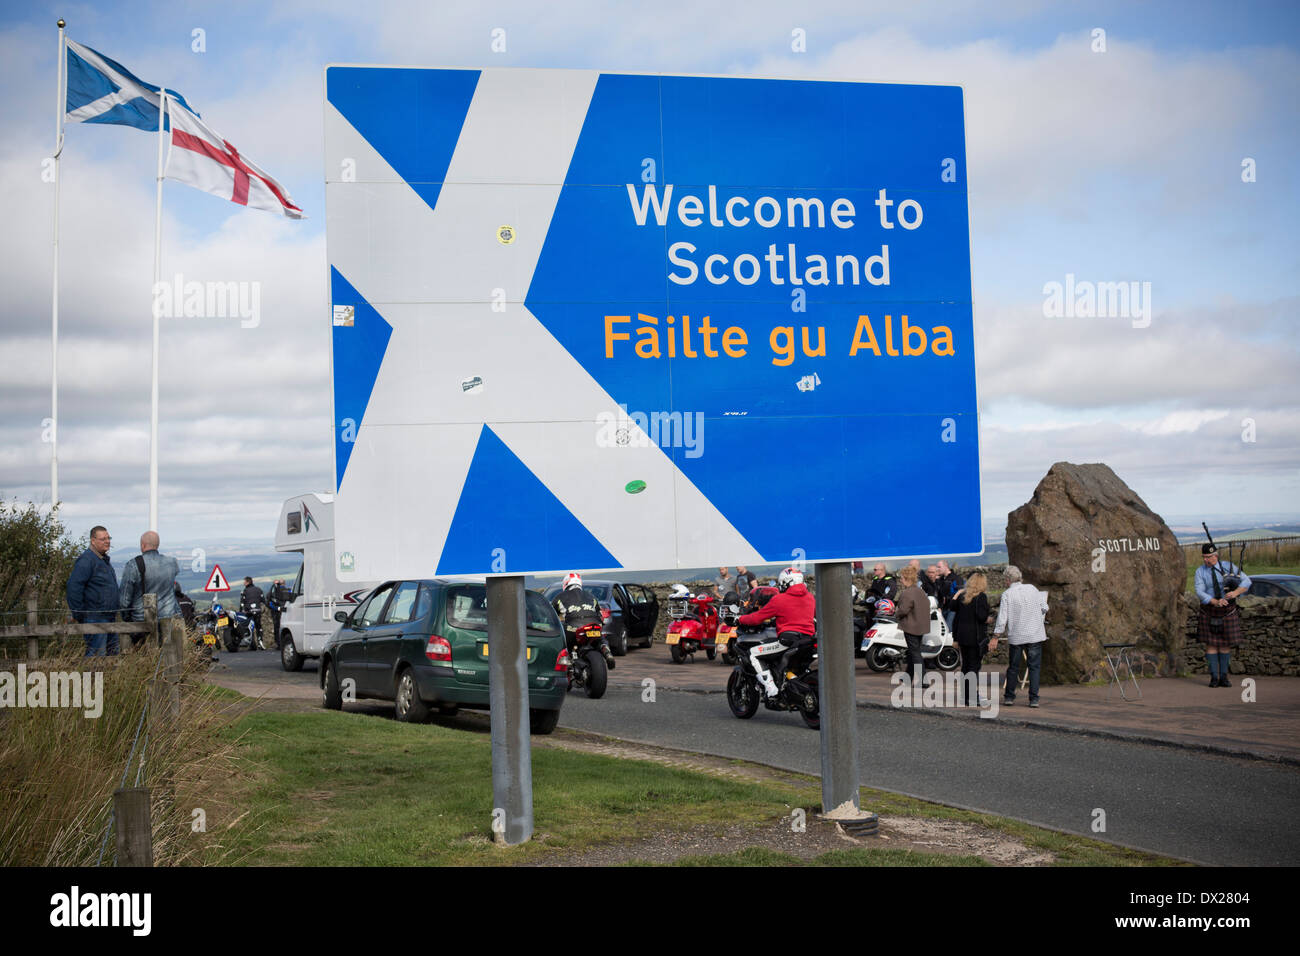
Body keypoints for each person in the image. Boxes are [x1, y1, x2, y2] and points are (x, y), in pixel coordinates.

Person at [738, 566, 815, 698]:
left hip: (788, 641)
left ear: (786, 583)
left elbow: (756, 618)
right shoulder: (810, 598)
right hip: (808, 640)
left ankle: (771, 689)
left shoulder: (780, 599)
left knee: (753, 653)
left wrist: (740, 619)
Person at [1194, 544, 1251, 687]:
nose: (1206, 560)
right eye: (1204, 557)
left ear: (1216, 556)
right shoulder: (1200, 571)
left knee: (1225, 645)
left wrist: (1235, 593)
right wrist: (1214, 601)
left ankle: (1224, 678)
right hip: (1209, 609)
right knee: (1211, 645)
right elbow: (1200, 591)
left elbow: (1247, 581)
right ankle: (1214, 678)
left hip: (1227, 609)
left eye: (1209, 557)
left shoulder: (1228, 567)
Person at [993, 565, 1049, 707]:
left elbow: (1002, 618)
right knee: (1034, 667)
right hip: (1035, 633)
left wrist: (996, 636)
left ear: (1007, 580)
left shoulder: (1007, 594)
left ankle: (1009, 697)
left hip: (1017, 635)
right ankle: (1034, 699)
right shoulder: (1032, 589)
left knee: (1013, 667)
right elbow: (1045, 608)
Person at [118, 531, 183, 649]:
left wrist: (128, 618)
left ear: (142, 545)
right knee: (169, 656)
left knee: (142, 656)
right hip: (168, 618)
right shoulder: (172, 563)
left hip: (141, 620)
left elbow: (124, 600)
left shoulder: (134, 565)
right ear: (157, 545)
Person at [66, 525, 120, 656]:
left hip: (109, 617)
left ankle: (109, 678)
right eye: (103, 539)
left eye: (108, 538)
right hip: (95, 618)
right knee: (96, 658)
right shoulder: (87, 560)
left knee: (112, 658)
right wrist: (80, 614)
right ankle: (91, 677)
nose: (107, 541)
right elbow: (74, 587)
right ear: (93, 541)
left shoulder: (102, 559)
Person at [552, 572, 615, 669]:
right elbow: (599, 614)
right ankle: (606, 650)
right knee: (600, 638)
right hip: (594, 625)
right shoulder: (591, 596)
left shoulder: (560, 597)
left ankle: (564, 663)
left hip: (573, 627)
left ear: (565, 584)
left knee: (560, 640)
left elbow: (552, 615)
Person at [951, 572, 995, 705]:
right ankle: (971, 696)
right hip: (975, 637)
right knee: (973, 667)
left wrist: (955, 637)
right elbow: (981, 616)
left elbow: (954, 613)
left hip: (962, 637)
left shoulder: (963, 597)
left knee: (965, 666)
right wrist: (989, 619)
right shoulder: (981, 597)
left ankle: (965, 695)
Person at [895, 565, 930, 684]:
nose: (900, 580)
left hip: (911, 627)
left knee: (915, 653)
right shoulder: (921, 591)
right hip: (921, 626)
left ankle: (924, 680)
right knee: (912, 651)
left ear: (906, 578)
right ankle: (908, 677)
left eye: (901, 578)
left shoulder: (907, 593)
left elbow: (903, 610)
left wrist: (896, 613)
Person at [239, 576, 267, 649]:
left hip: (249, 612)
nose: (243, 583)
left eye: (244, 581)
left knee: (249, 627)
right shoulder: (259, 590)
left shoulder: (244, 591)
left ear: (248, 582)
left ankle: (252, 644)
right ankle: (260, 642)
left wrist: (240, 612)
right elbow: (263, 601)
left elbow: (242, 604)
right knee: (258, 626)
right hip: (257, 611)